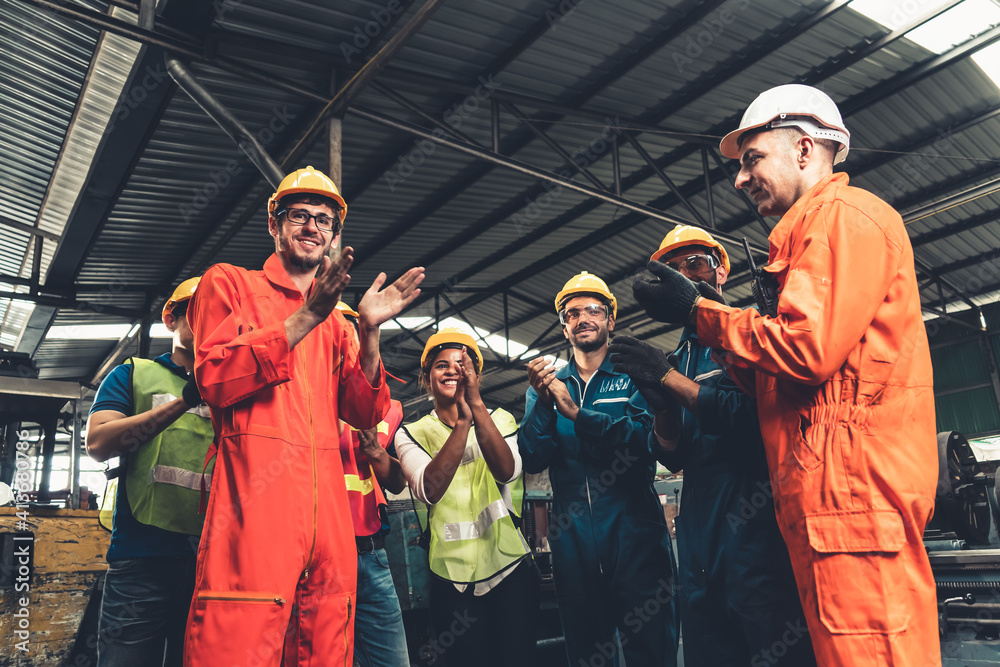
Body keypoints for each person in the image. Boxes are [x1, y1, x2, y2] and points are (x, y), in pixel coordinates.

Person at [631, 84, 939, 666]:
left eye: (752, 159)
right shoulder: (802, 241)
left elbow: (807, 350)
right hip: (824, 506)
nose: (741, 179)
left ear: (804, 150)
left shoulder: (844, 220)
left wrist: (702, 315)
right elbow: (782, 381)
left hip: (853, 503)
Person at [183, 166, 424, 666]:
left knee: (325, 648)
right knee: (238, 646)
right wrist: (309, 315)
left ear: (334, 236)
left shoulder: (340, 323)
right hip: (254, 516)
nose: (313, 226)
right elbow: (215, 378)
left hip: (331, 527)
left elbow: (362, 410)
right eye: (300, 215)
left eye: (324, 220)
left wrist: (371, 332)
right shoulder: (229, 284)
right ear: (274, 225)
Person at [608, 226, 815, 666]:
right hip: (699, 532)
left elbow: (748, 418)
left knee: (773, 644)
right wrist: (661, 405)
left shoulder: (752, 335)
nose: (684, 273)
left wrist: (668, 382)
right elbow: (672, 454)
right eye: (673, 268)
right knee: (709, 648)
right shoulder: (677, 357)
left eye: (695, 264)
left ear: (721, 270)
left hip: (756, 526)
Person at [520, 272, 677, 667]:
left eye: (593, 309)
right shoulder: (548, 386)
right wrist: (543, 403)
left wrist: (577, 415)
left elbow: (646, 443)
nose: (582, 318)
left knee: (651, 646)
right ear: (564, 326)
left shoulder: (634, 374)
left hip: (634, 528)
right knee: (588, 651)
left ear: (610, 319)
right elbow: (533, 456)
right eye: (572, 313)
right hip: (573, 541)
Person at [86, 277, 211, 666]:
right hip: (143, 557)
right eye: (198, 310)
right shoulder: (132, 374)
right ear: (171, 320)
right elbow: (98, 444)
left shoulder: (235, 390)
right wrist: (184, 400)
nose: (210, 320)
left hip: (213, 561)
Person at [394, 328, 538, 667]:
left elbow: (507, 470)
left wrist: (475, 406)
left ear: (475, 374)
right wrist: (462, 424)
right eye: (441, 365)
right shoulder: (410, 433)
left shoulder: (500, 419)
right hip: (450, 579)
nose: (452, 370)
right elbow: (430, 488)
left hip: (509, 569)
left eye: (462, 364)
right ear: (427, 379)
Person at [334, 301, 410, 667]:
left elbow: (396, 483)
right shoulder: (303, 402)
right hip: (322, 558)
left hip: (372, 555)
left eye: (350, 331)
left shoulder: (388, 408)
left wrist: (377, 454)